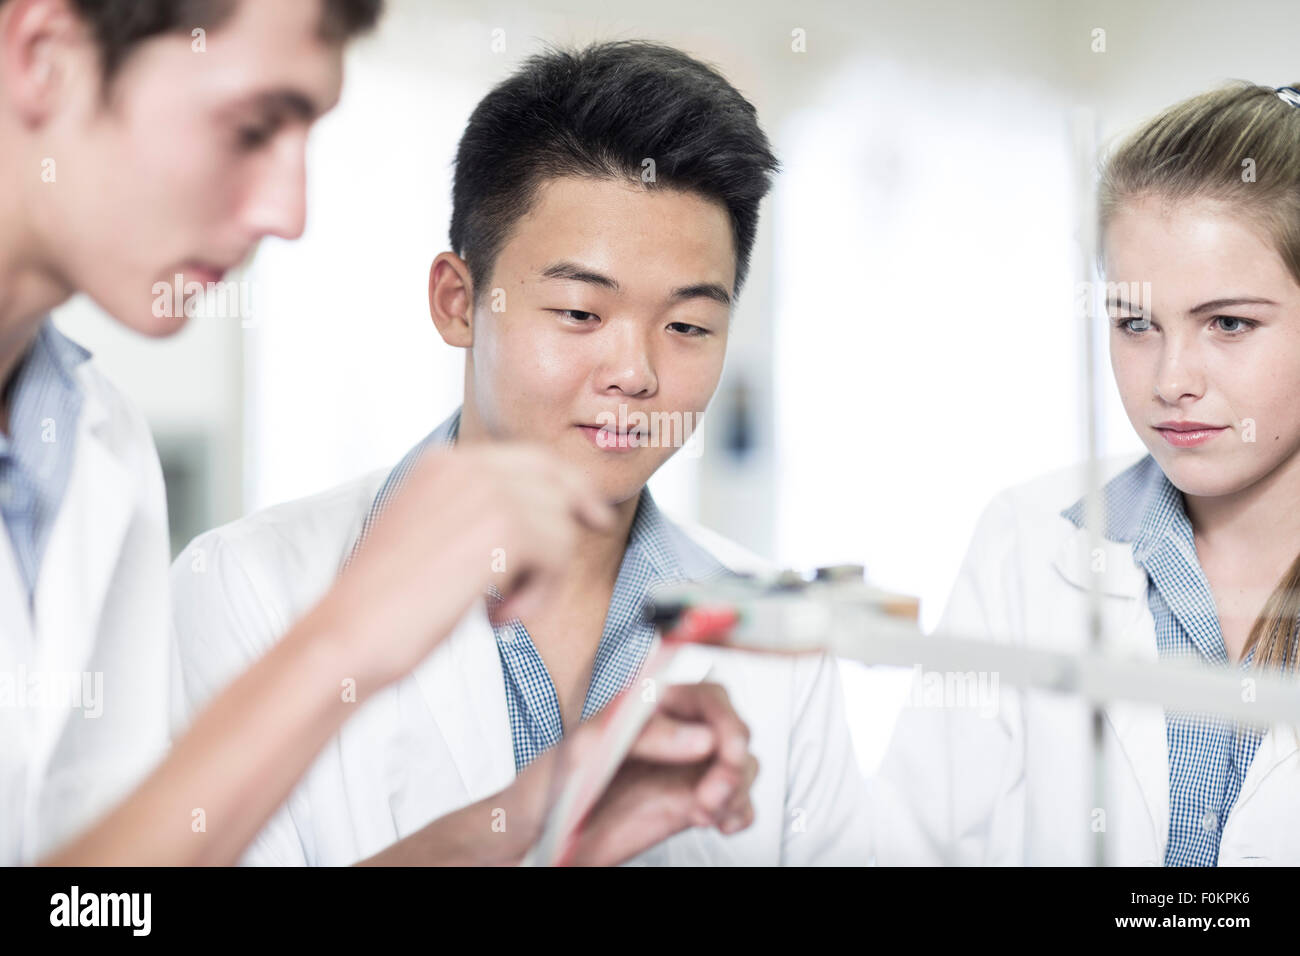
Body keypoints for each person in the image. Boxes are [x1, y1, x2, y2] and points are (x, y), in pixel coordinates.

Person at [0, 0, 758, 866]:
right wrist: (349, 635)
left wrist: (519, 822)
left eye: (690, 325)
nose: (291, 211)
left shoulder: (100, 459)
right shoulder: (239, 573)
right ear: (46, 54)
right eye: (252, 128)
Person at [171, 40, 870, 866]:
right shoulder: (249, 590)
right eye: (579, 312)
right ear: (459, 302)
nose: (636, 375)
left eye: (687, 326)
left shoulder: (775, 645)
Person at [870, 81, 1300, 866]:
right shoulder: (1027, 543)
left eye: (1228, 323)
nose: (1171, 379)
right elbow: (912, 847)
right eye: (1136, 323)